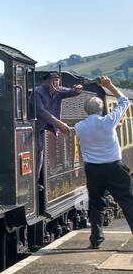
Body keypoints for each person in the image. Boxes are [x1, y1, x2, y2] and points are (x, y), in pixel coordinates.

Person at [73, 76, 133, 248]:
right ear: (102, 109)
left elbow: (88, 134)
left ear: (86, 111)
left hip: (93, 170)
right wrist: (110, 85)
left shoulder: (80, 126)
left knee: (96, 204)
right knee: (128, 201)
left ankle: (96, 239)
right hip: (114, 168)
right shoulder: (109, 121)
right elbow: (123, 101)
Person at [32, 72, 83, 184]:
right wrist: (58, 122)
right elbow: (40, 111)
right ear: (45, 81)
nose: (55, 82)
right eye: (53, 80)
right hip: (37, 127)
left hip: (50, 126)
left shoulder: (59, 90)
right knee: (38, 150)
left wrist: (77, 90)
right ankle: (34, 181)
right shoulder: (38, 92)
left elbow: (71, 92)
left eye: (57, 80)